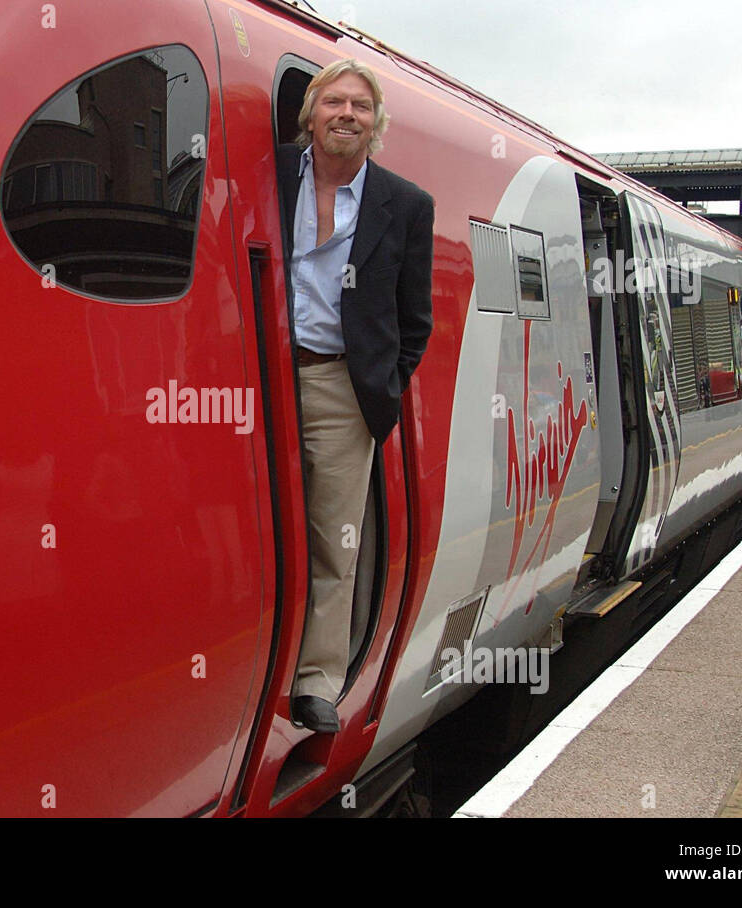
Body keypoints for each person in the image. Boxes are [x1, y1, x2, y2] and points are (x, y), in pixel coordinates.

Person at [275, 59, 434, 733]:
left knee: (334, 539)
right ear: (309, 114)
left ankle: (315, 679)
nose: (346, 113)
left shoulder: (407, 204)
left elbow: (414, 318)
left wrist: (381, 386)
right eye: (334, 101)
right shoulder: (271, 176)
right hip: (257, 375)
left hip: (341, 384)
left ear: (376, 125)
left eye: (361, 107)